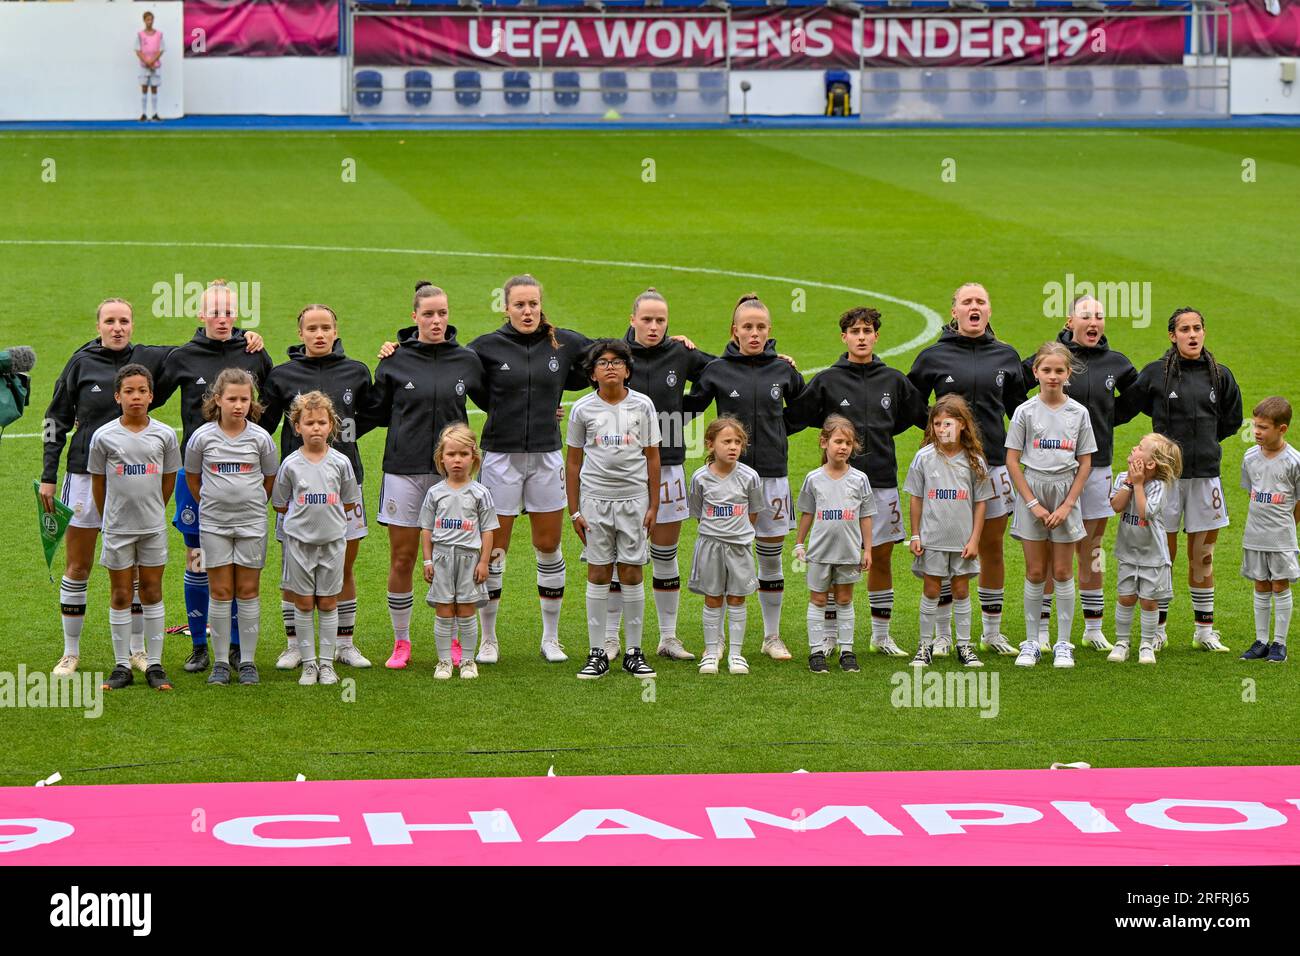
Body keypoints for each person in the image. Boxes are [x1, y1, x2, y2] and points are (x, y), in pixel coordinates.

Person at [40, 298, 173, 677]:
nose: (117, 327)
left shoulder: (148, 360)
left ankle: (136, 652)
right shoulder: (80, 363)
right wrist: (50, 476)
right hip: (83, 477)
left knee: (132, 571)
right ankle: (70, 653)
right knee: (78, 565)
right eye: (110, 321)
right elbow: (55, 420)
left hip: (134, 479)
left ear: (133, 325)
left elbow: (197, 353)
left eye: (124, 321)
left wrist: (249, 337)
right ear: (98, 325)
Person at [785, 306, 927, 657]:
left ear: (876, 336)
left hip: (882, 482)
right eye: (855, 331)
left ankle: (881, 635)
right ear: (843, 337)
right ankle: (831, 636)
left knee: (880, 558)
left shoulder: (893, 380)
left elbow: (922, 418)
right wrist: (781, 372)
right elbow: (795, 417)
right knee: (834, 558)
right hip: (836, 487)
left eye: (867, 331)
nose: (861, 337)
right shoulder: (828, 380)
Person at [467, 274, 593, 665]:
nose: (527, 311)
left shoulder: (563, 342)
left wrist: (673, 343)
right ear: (506, 307)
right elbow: (460, 373)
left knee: (549, 544)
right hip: (500, 456)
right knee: (496, 548)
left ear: (541, 306)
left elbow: (608, 355)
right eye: (519, 304)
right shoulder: (486, 347)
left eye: (533, 304)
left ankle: (550, 638)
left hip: (546, 456)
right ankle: (488, 639)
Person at [364, 282, 486, 669]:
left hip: (454, 479)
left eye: (443, 313)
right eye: (429, 314)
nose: (436, 320)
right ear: (414, 316)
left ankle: (452, 643)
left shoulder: (466, 360)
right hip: (404, 470)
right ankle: (402, 642)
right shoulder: (394, 360)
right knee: (403, 558)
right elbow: (373, 412)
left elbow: (495, 399)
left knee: (455, 559)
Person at [154, 279, 273, 673]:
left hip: (243, 477)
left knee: (239, 564)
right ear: (201, 315)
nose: (222, 320)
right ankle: (200, 645)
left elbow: (271, 402)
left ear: (236, 315)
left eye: (228, 312)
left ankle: (238, 647)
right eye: (215, 312)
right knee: (199, 559)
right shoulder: (183, 356)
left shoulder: (254, 353)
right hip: (198, 477)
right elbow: (150, 397)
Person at [684, 293, 805, 661]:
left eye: (761, 327)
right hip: (727, 481)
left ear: (769, 331)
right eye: (747, 327)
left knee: (770, 557)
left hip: (771, 477)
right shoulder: (717, 370)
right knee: (724, 560)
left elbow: (804, 409)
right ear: (734, 331)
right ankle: (717, 642)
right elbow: (689, 408)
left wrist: (777, 433)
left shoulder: (784, 371)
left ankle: (771, 636)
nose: (754, 333)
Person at [908, 283, 1027, 656]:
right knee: (943, 546)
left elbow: (1019, 411)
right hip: (944, 471)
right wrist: (937, 437)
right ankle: (943, 635)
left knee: (989, 547)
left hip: (991, 467)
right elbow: (912, 404)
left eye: (980, 301)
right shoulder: (933, 357)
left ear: (989, 311)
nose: (974, 307)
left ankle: (991, 631)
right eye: (966, 302)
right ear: (954, 311)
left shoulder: (1006, 356)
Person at [1116, 307, 1243, 651]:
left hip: (1205, 479)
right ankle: (1157, 631)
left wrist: (1204, 445)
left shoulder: (1220, 375)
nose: (1192, 334)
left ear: (1204, 332)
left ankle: (1204, 631)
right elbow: (1124, 409)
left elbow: (1232, 421)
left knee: (1202, 556)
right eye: (1184, 329)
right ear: (1172, 336)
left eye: (1197, 328)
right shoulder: (1156, 374)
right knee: (1162, 555)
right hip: (1165, 481)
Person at [261, 304, 375, 670]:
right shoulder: (282, 375)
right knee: (292, 568)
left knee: (343, 565)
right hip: (297, 489)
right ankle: (294, 645)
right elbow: (263, 424)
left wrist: (344, 439)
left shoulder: (356, 372)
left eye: (326, 327)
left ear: (336, 330)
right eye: (312, 328)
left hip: (345, 483)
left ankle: (344, 642)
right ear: (301, 334)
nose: (319, 334)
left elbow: (369, 415)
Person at [1025, 295, 1138, 651]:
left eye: (1099, 316)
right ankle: (1042, 631)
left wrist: (1103, 422)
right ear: (1069, 320)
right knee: (1046, 548)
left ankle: (1092, 627)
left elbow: (1132, 402)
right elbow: (1017, 389)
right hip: (1050, 471)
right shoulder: (1054, 359)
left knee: (1090, 547)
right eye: (1086, 316)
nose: (1094, 323)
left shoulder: (1116, 363)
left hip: (1096, 466)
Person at [566, 339, 662, 679]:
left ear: (628, 369)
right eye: (603, 362)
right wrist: (574, 510)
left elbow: (653, 456)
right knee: (598, 573)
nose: (610, 366)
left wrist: (654, 504)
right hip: (595, 502)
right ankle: (597, 652)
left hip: (634, 501)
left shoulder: (644, 406)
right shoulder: (582, 410)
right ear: (592, 373)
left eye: (617, 361)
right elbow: (574, 462)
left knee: (633, 572)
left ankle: (634, 652)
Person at [87, 364, 180, 691]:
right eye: (129, 391)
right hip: (117, 528)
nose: (136, 396)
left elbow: (169, 479)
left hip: (152, 527)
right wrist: (107, 518)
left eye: (142, 391)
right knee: (122, 593)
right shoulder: (104, 437)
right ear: (117, 396)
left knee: (152, 591)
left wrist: (155, 507)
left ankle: (154, 664)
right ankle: (121, 665)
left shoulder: (165, 435)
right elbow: (98, 483)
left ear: (152, 396)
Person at [184, 368, 279, 686]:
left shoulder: (261, 438)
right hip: (214, 525)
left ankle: (248, 662)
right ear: (218, 400)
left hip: (252, 524)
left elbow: (270, 480)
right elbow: (193, 478)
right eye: (232, 399)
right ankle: (221, 663)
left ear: (252, 401)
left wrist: (251, 504)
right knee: (221, 592)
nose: (238, 405)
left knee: (248, 591)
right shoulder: (202, 437)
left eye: (245, 399)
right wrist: (213, 503)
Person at [1005, 342, 1097, 668]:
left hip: (1065, 494)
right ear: (1036, 373)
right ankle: (1031, 642)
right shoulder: (1024, 412)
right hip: (1033, 492)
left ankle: (1063, 643)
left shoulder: (1079, 413)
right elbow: (1013, 460)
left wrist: (1068, 504)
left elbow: (1085, 462)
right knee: (1034, 571)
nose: (1053, 376)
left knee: (1061, 571)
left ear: (1068, 373)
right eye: (1047, 370)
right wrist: (1032, 504)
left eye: (1059, 371)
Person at [272, 392, 364, 686]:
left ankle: (327, 664)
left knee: (326, 602)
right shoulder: (290, 464)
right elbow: (280, 502)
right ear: (296, 427)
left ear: (331, 426)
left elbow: (349, 502)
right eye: (308, 422)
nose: (315, 428)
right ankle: (308, 664)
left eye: (321, 422)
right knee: (302, 602)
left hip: (333, 543)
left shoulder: (340, 462)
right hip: (299, 544)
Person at [904, 395, 994, 668]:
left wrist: (975, 539)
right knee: (932, 590)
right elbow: (916, 498)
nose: (942, 430)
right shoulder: (924, 458)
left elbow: (981, 503)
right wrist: (916, 534)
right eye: (937, 424)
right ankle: (925, 646)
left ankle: (964, 646)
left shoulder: (975, 460)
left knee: (961, 590)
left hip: (963, 540)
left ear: (963, 425)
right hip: (932, 538)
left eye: (948, 424)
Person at [793, 414, 875, 674]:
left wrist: (868, 549)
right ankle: (816, 652)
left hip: (849, 552)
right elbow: (807, 513)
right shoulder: (814, 478)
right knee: (818, 599)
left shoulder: (860, 479)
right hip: (819, 553)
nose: (843, 447)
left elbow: (866, 516)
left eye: (848, 443)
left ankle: (847, 651)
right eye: (838, 441)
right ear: (824, 443)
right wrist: (799, 542)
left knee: (844, 599)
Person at [419, 424, 498, 681]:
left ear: (473, 458)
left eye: (463, 454)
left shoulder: (480, 493)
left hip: (469, 559)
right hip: (442, 559)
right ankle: (443, 661)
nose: (457, 460)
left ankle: (467, 660)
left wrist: (484, 562)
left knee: (465, 610)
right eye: (451, 454)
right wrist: (428, 560)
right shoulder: (434, 493)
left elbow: (488, 530)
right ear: (441, 457)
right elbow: (426, 529)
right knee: (443, 610)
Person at [687, 418, 764, 676]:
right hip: (710, 545)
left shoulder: (750, 477)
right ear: (710, 444)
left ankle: (736, 654)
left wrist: (739, 532)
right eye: (727, 441)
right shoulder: (700, 478)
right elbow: (699, 513)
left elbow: (753, 512)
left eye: (738, 442)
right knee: (712, 598)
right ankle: (710, 653)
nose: (733, 447)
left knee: (737, 598)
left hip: (740, 546)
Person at [1108, 433, 1182, 665]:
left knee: (1149, 601)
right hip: (1128, 553)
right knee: (1126, 597)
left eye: (1139, 447)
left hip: (1153, 556)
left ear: (1150, 464)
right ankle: (1122, 643)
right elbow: (1116, 506)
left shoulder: (1159, 486)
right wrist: (1130, 482)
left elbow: (1145, 512)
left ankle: (1147, 644)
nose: (1133, 447)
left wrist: (1139, 484)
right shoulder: (1123, 477)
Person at [1238, 397, 1300, 664]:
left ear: (1282, 429)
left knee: (1279, 584)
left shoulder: (1294, 461)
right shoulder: (1250, 456)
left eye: (1263, 427)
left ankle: (1280, 644)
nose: (1257, 432)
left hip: (1281, 537)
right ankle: (1261, 641)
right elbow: (1250, 491)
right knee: (1261, 584)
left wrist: (1288, 525)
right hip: (1254, 534)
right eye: (1255, 426)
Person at [135, 11, 164, 122]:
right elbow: (137, 51)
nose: (149, 21)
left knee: (154, 89)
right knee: (144, 88)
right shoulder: (140, 35)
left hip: (155, 66)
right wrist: (147, 62)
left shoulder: (159, 34)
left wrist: (152, 61)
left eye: (151, 19)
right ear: (144, 20)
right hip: (144, 66)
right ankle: (143, 114)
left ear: (153, 20)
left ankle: (154, 113)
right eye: (147, 19)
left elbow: (161, 50)